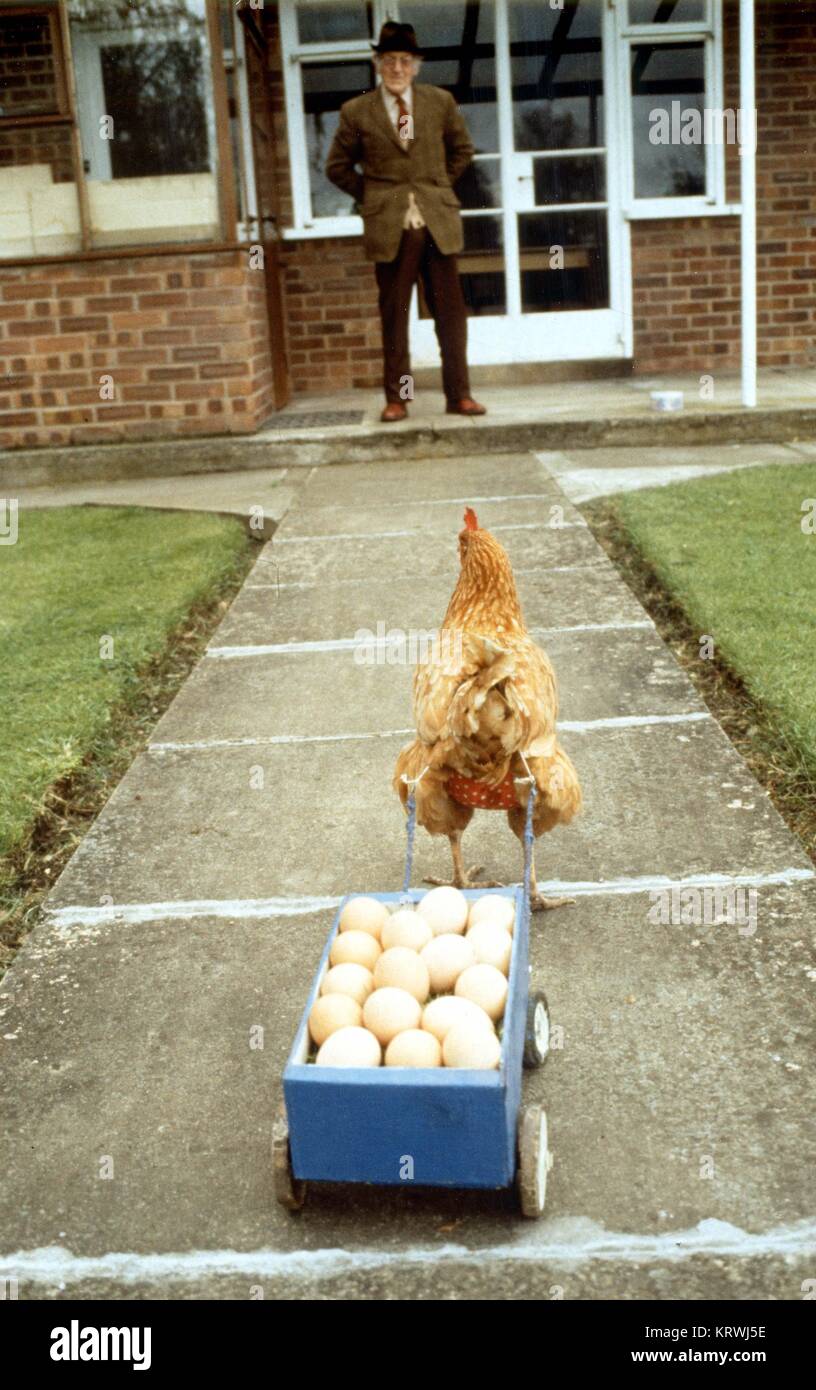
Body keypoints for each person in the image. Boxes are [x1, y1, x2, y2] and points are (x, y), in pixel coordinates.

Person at [325, 21, 487, 424]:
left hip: (437, 225)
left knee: (450, 317)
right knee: (394, 317)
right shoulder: (356, 111)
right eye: (389, 60)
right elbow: (336, 168)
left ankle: (460, 395)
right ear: (377, 64)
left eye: (405, 60)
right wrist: (376, 198)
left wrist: (437, 188)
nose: (397, 68)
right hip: (390, 229)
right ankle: (397, 399)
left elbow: (463, 150)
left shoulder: (440, 103)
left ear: (416, 66)